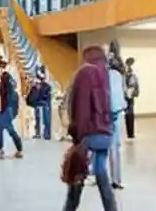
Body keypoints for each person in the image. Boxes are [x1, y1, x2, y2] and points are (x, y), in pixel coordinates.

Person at [64, 46, 118, 211]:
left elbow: (80, 108)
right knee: (101, 171)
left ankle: (69, 208)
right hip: (106, 134)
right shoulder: (108, 75)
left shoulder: (83, 74)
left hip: (88, 135)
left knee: (78, 172)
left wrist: (76, 135)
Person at [0, 57, 24, 159]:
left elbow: (11, 93)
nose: (0, 68)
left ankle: (19, 148)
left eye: (3, 66)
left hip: (5, 107)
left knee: (9, 128)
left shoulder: (7, 78)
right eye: (0, 66)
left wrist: (10, 106)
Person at [107, 54, 128, 189]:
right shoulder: (117, 76)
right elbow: (119, 97)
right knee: (115, 147)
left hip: (105, 114)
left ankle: (95, 175)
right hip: (115, 113)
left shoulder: (104, 75)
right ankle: (116, 179)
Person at [28, 67, 53, 141]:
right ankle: (39, 132)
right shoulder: (36, 86)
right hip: (39, 103)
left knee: (46, 117)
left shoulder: (46, 87)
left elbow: (45, 96)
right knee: (38, 116)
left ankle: (46, 133)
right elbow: (32, 97)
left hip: (43, 103)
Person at [123, 57, 140, 140]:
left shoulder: (133, 76)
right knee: (128, 115)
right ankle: (129, 133)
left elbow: (136, 86)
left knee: (130, 115)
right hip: (126, 97)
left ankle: (131, 133)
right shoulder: (124, 75)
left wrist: (133, 92)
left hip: (130, 97)